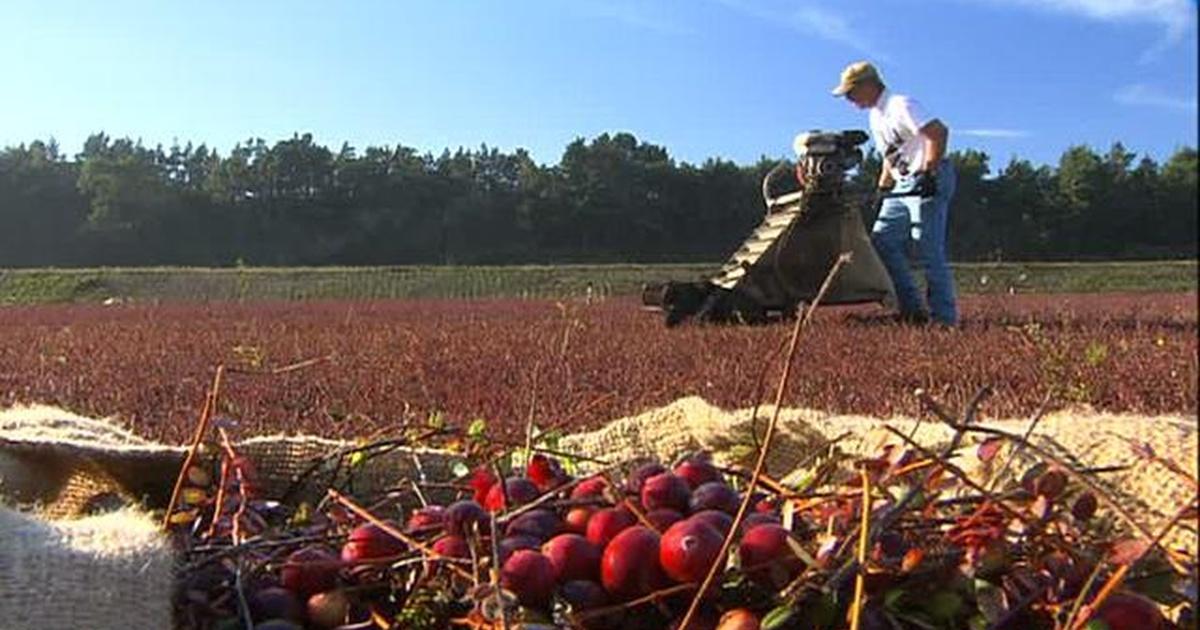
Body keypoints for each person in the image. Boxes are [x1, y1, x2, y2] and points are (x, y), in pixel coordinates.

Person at [832, 61, 958, 326]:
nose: (849, 100)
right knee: (882, 241)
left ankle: (945, 320)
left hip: (927, 178)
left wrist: (928, 172)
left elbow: (938, 132)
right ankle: (912, 309)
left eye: (851, 93)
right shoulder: (876, 116)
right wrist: (881, 189)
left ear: (868, 85)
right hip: (902, 185)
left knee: (927, 248)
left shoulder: (901, 105)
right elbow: (889, 158)